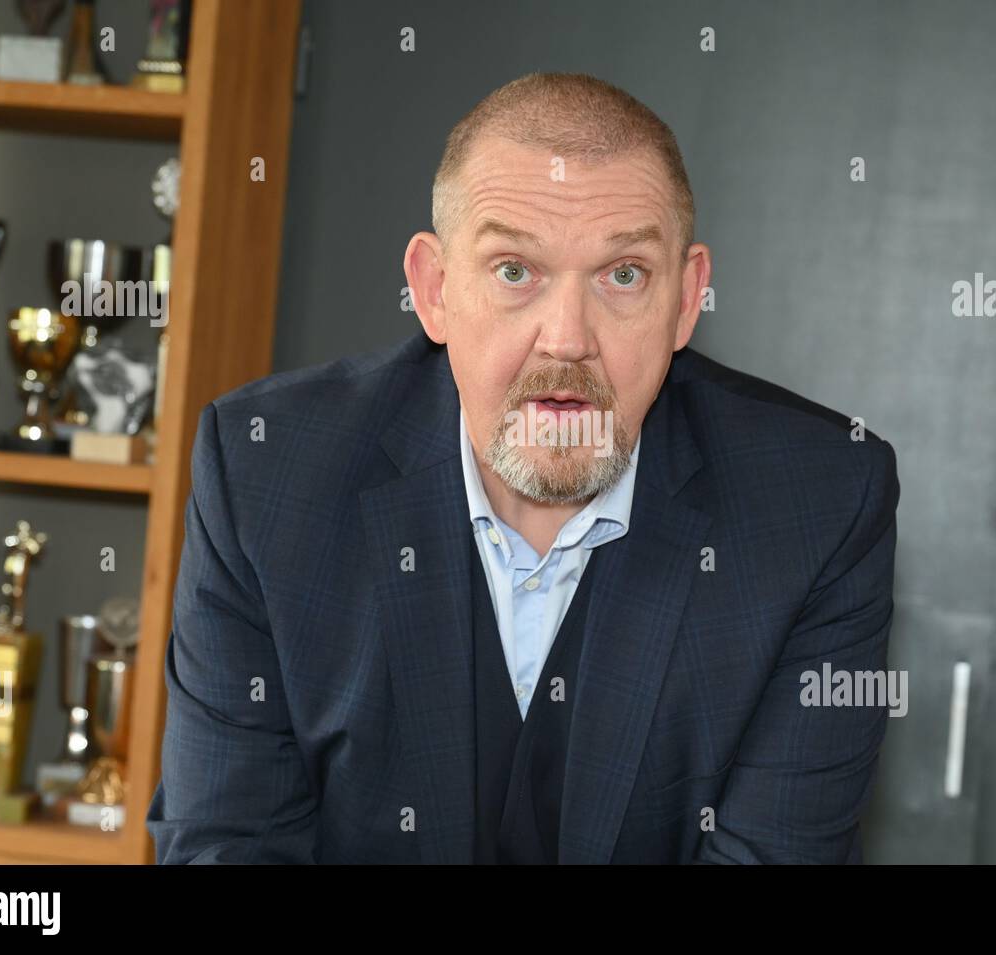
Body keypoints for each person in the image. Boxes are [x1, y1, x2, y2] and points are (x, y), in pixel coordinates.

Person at [147, 72, 900, 863]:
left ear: (686, 300)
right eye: (515, 270)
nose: (567, 337)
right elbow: (226, 844)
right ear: (433, 290)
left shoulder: (820, 504)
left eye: (624, 275)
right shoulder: (265, 474)